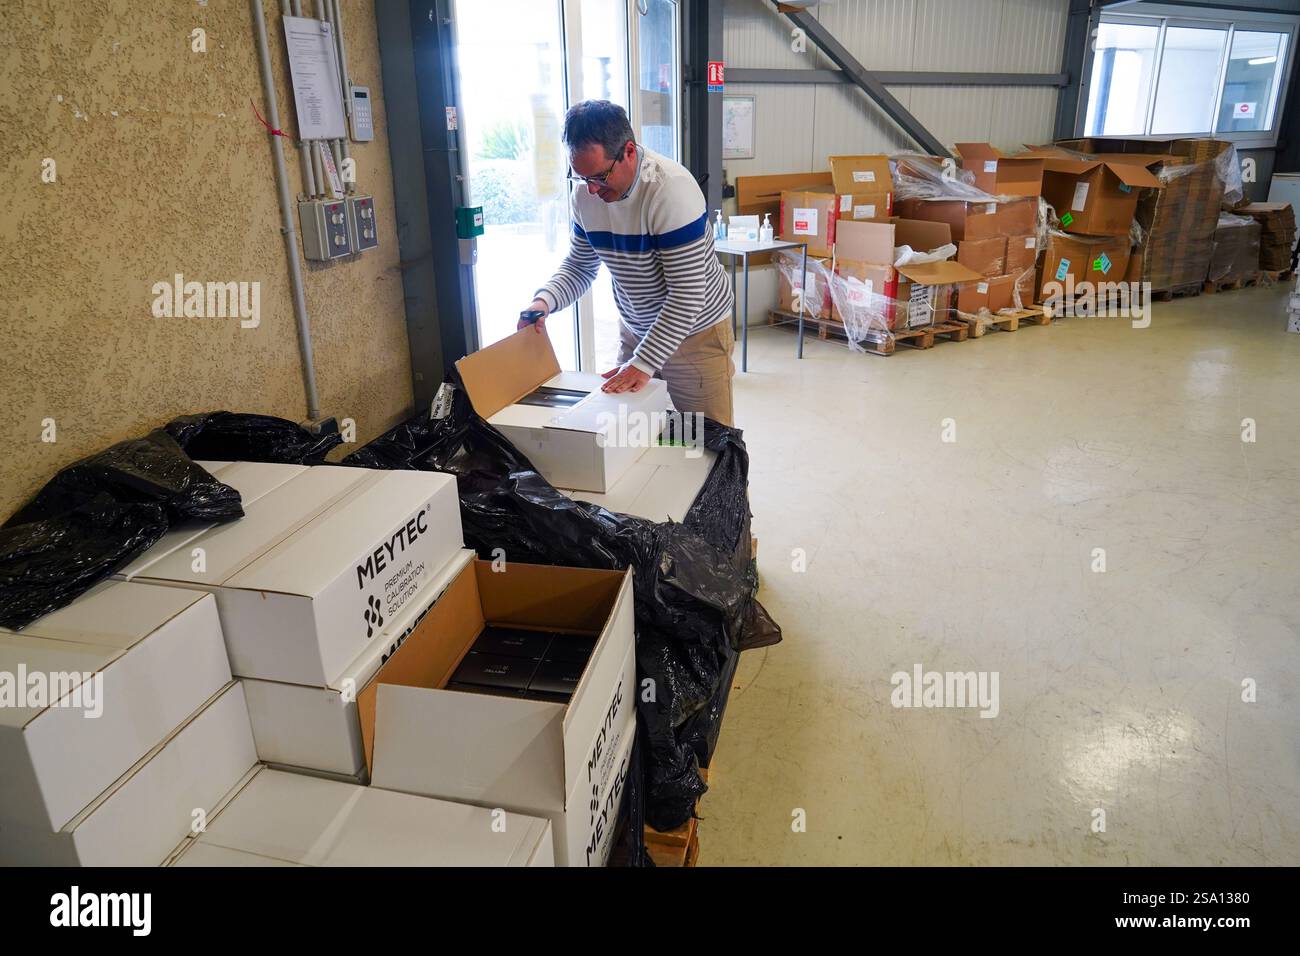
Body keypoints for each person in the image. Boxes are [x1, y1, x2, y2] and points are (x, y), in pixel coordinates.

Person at [520, 100, 736, 426]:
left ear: (630, 152)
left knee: (707, 445)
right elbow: (581, 265)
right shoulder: (586, 194)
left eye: (599, 176)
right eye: (579, 177)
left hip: (696, 336)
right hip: (637, 331)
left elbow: (688, 295)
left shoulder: (670, 190)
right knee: (633, 436)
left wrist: (644, 362)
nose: (591, 189)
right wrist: (544, 300)